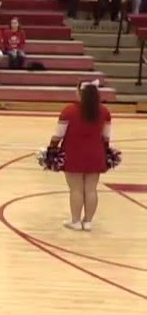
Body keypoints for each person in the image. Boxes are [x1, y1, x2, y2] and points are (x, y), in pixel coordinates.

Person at [51, 82, 111, 231]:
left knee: (76, 189)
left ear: (80, 93)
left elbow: (58, 135)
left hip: (73, 153)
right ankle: (88, 222)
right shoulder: (104, 112)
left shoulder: (69, 111)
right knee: (91, 189)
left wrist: (51, 149)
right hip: (96, 154)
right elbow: (106, 137)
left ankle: (76, 221)